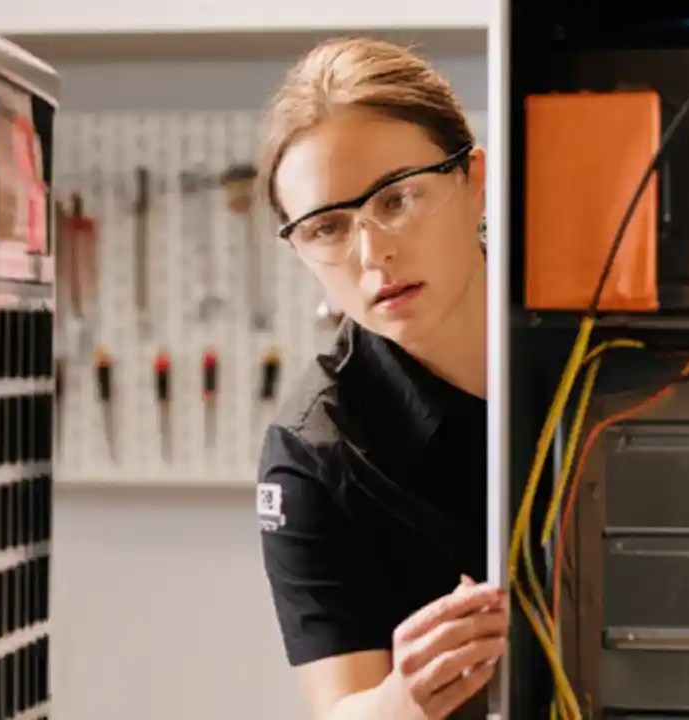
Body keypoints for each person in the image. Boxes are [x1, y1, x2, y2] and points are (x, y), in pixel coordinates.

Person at [253, 37, 504, 720]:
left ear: (472, 179)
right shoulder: (315, 452)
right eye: (327, 228)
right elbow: (341, 710)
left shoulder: (595, 336)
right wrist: (405, 698)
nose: (372, 253)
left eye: (396, 200)